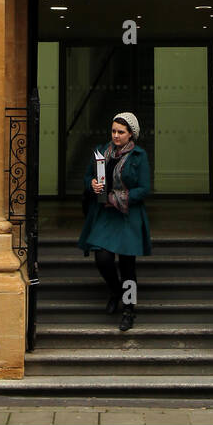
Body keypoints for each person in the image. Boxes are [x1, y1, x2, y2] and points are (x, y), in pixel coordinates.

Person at [77, 112, 152, 332]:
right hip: (106, 216)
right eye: (113, 131)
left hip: (127, 215)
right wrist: (92, 184)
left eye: (121, 132)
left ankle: (129, 309)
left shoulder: (139, 156)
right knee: (102, 258)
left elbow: (144, 189)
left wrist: (118, 197)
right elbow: (87, 176)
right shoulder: (101, 152)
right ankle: (115, 291)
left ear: (131, 135)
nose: (116, 136)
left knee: (128, 266)